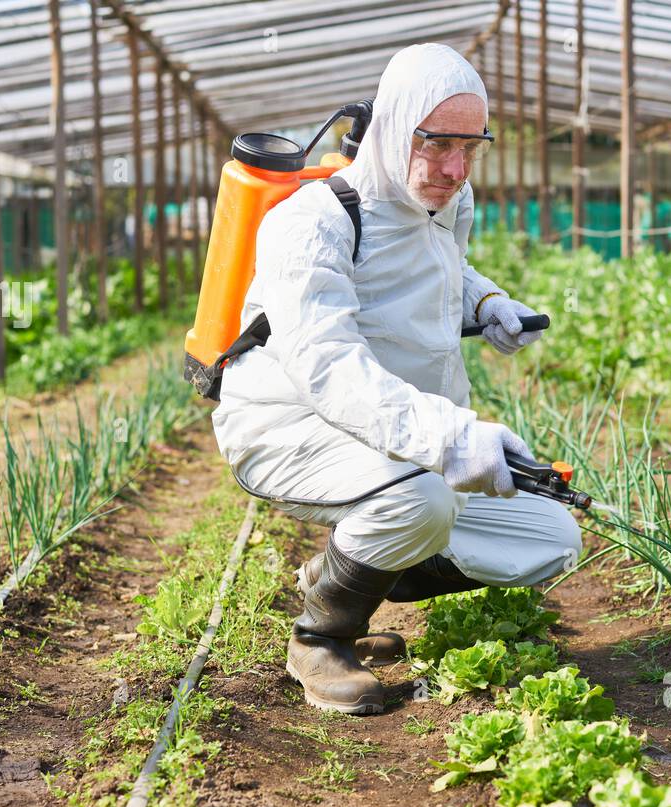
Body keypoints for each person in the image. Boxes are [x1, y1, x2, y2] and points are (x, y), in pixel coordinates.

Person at [212, 43, 581, 715]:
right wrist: (449, 436)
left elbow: (439, 265)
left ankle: (347, 572)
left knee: (552, 538)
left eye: (473, 147)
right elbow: (327, 364)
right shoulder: (313, 221)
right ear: (392, 126)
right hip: (288, 422)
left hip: (394, 431)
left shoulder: (446, 202)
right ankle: (320, 638)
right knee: (422, 500)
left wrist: (487, 303)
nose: (455, 168)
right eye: (437, 142)